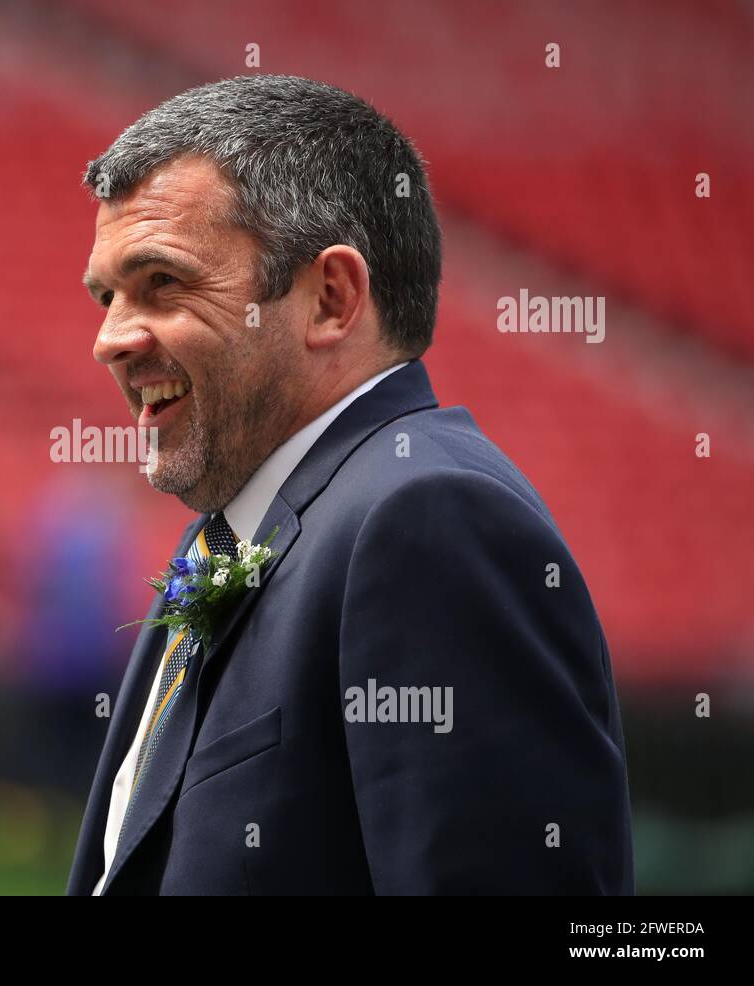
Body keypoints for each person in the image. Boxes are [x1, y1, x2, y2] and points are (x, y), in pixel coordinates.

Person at [66, 75, 633, 895]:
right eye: (105, 295)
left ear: (331, 299)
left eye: (163, 282)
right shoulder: (244, 524)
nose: (109, 339)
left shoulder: (427, 519)